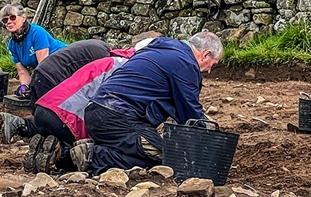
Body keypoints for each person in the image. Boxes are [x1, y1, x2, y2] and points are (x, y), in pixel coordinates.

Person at [71, 32, 223, 174]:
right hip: (118, 117)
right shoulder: (185, 63)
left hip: (98, 111)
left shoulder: (161, 49)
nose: (209, 70)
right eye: (213, 64)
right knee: (168, 158)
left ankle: (80, 151)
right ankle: (89, 157)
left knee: (142, 148)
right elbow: (189, 111)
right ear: (206, 54)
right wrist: (209, 135)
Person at [0, 41, 145, 174]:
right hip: (54, 82)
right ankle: (60, 152)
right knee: (79, 127)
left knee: (54, 118)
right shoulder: (117, 65)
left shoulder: (101, 50)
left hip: (44, 85)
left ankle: (21, 125)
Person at [0, 3, 67, 99]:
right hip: (49, 70)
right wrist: (24, 85)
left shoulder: (37, 32)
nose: (9, 22)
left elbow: (43, 65)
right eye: (5, 20)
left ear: (23, 18)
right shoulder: (12, 45)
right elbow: (22, 71)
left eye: (13, 17)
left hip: (64, 63)